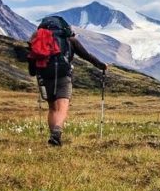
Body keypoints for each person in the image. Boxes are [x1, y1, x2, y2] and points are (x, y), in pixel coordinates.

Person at [29, 17, 110, 146]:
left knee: (52, 108)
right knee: (62, 107)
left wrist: (36, 72)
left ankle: (54, 138)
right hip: (63, 75)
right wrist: (102, 66)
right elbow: (87, 56)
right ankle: (56, 133)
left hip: (45, 75)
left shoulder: (37, 39)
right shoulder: (69, 40)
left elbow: (32, 61)